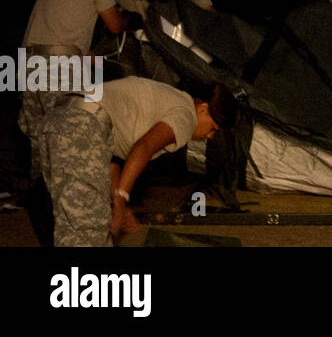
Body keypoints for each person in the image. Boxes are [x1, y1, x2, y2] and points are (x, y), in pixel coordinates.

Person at [19, 0, 134, 246]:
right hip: (62, 65)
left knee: (42, 148)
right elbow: (113, 24)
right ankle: (76, 228)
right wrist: (131, 19)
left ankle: (45, 223)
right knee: (73, 146)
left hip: (27, 63)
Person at [37, 77, 234, 245]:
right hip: (82, 125)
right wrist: (122, 198)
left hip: (59, 122)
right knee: (88, 232)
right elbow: (144, 147)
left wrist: (117, 203)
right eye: (213, 128)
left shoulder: (170, 99)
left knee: (76, 224)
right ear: (203, 109)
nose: (210, 136)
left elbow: (110, 161)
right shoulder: (186, 116)